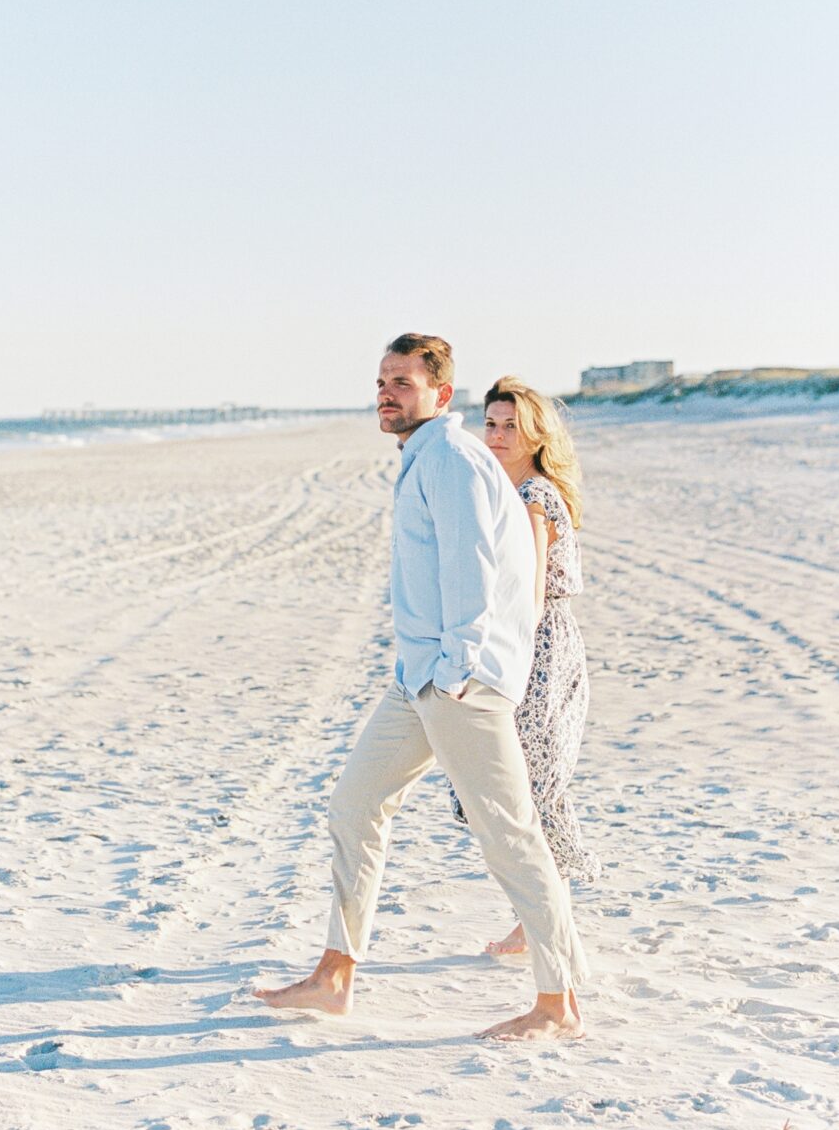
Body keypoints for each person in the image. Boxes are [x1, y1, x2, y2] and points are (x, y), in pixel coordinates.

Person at [254, 333, 589, 1041]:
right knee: (354, 804)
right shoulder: (425, 457)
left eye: (402, 382)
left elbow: (474, 569)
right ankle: (334, 976)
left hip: (457, 681)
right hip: (418, 679)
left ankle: (558, 1005)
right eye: (381, 381)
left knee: (508, 835)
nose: (386, 393)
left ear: (440, 394)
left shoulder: (451, 459)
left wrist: (459, 670)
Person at [450, 377, 600, 957]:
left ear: (536, 434)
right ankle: (536, 918)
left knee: (532, 789)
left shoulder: (534, 494)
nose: (498, 435)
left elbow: (531, 593)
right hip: (526, 645)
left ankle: (543, 923)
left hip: (540, 649)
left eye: (512, 425)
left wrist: (497, 650)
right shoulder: (507, 490)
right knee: (522, 789)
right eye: (490, 423)